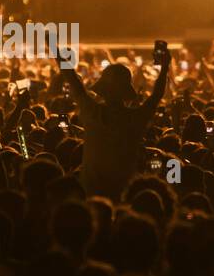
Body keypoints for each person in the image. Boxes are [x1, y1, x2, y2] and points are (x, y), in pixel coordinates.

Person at [57, 43, 169, 199]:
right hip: (124, 194)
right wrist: (164, 68)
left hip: (91, 193)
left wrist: (56, 52)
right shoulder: (136, 118)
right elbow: (156, 96)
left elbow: (72, 78)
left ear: (103, 90)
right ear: (126, 92)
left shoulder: (92, 113)